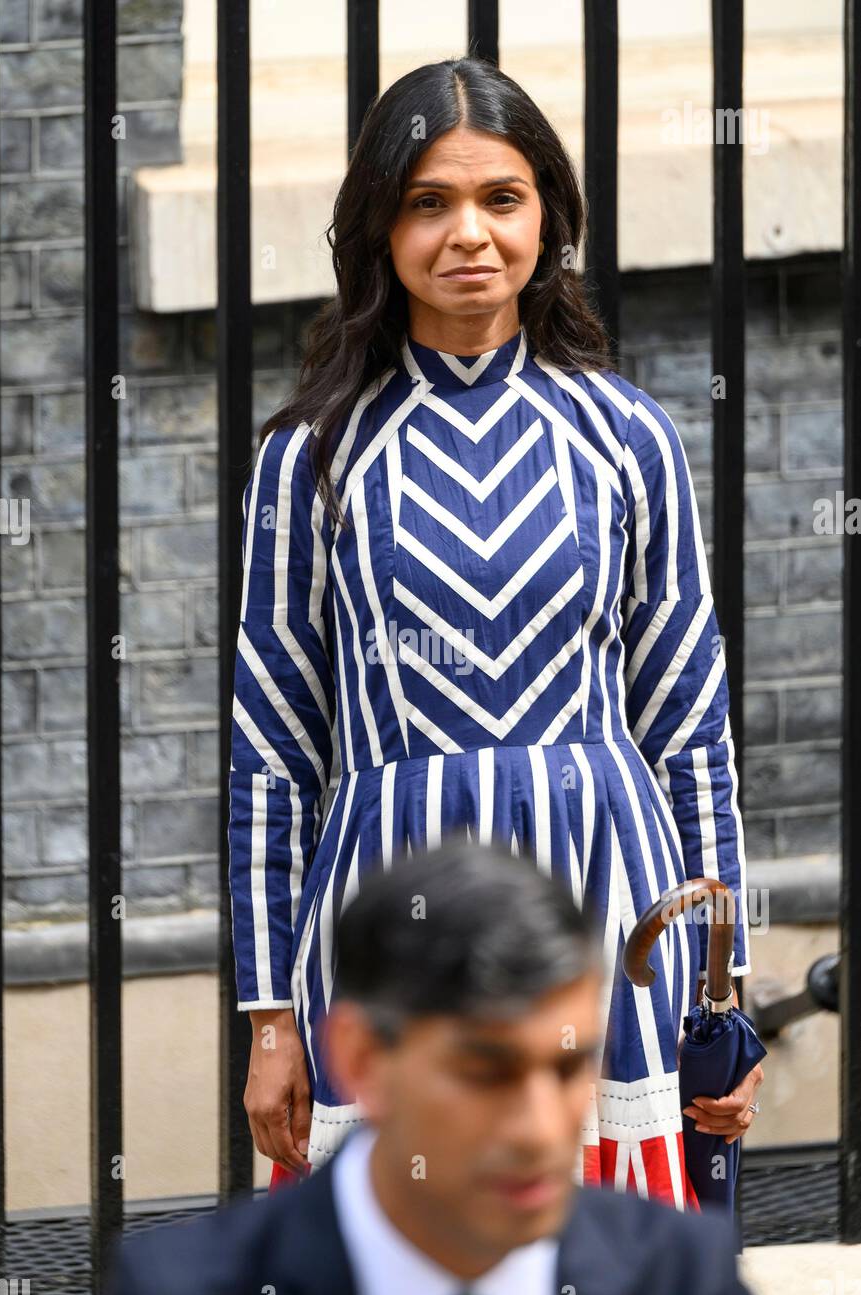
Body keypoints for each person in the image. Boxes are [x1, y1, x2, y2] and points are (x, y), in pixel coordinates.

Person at [227, 54, 762, 1205]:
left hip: (606, 909)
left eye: (499, 198)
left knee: (603, 1247)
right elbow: (269, 753)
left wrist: (725, 991)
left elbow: (688, 727)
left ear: (546, 218)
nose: (467, 233)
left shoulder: (626, 436)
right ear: (378, 228)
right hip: (389, 905)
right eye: (427, 202)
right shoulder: (307, 460)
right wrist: (270, 1013)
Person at [107, 842, 753, 1295]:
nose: (537, 1132)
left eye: (566, 1067)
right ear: (360, 1059)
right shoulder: (177, 1288)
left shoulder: (682, 1277)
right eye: (484, 1073)